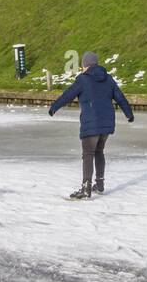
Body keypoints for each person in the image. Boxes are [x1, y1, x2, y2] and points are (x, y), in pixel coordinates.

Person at [48, 51, 134, 199]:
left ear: (85, 65)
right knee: (99, 152)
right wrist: (129, 114)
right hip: (107, 123)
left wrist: (54, 107)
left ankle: (86, 188)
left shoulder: (83, 79)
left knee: (88, 154)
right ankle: (99, 185)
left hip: (91, 122)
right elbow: (120, 97)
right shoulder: (108, 79)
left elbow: (68, 94)